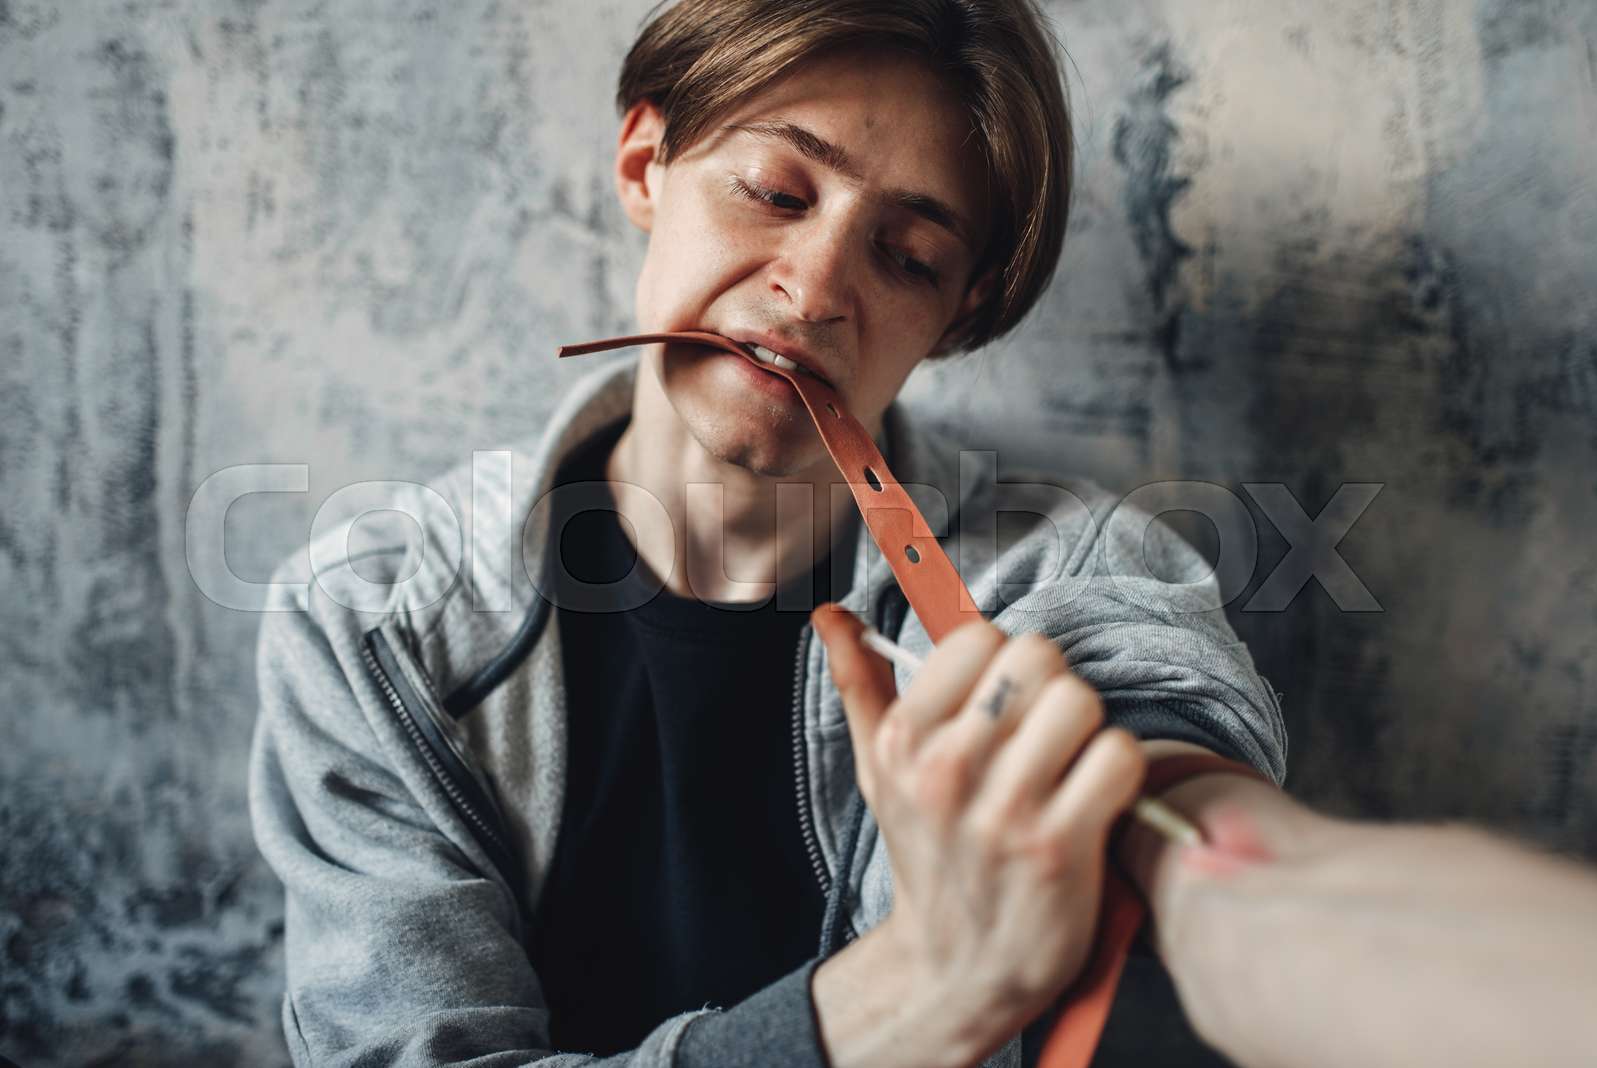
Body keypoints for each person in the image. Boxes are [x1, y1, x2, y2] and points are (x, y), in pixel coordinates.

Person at [247, 2, 1286, 1065]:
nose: (819, 287)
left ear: (958, 314)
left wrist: (1201, 837)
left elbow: (1165, 735)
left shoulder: (1063, 564)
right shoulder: (371, 624)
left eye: (911, 257)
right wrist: (919, 983)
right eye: (774, 192)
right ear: (646, 161)